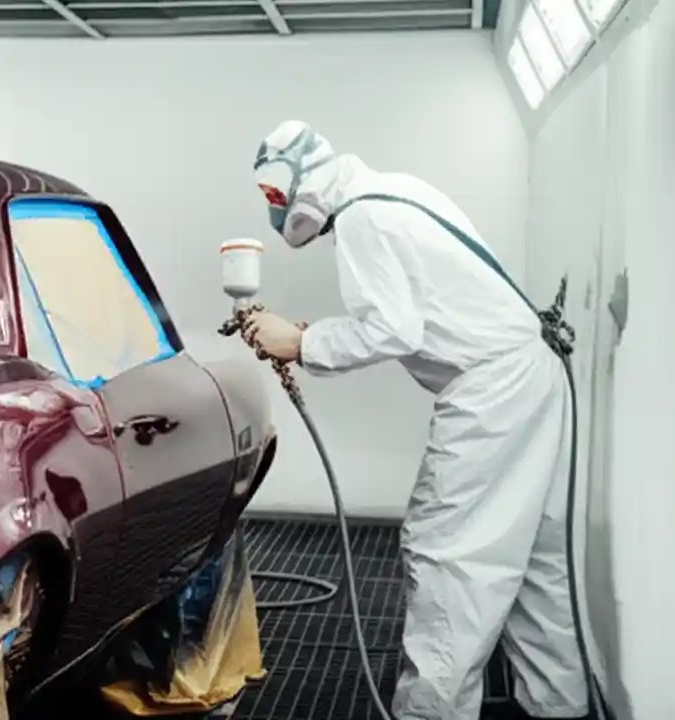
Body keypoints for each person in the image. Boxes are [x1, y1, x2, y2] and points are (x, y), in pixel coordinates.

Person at [240, 120, 589, 720]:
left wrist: (300, 345)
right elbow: (416, 309)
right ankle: (560, 706)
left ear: (293, 184)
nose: (278, 212)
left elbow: (392, 329)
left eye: (275, 197)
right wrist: (307, 336)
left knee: (446, 554)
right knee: (529, 555)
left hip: (491, 391)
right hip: (531, 370)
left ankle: (431, 713)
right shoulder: (396, 191)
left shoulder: (360, 218)